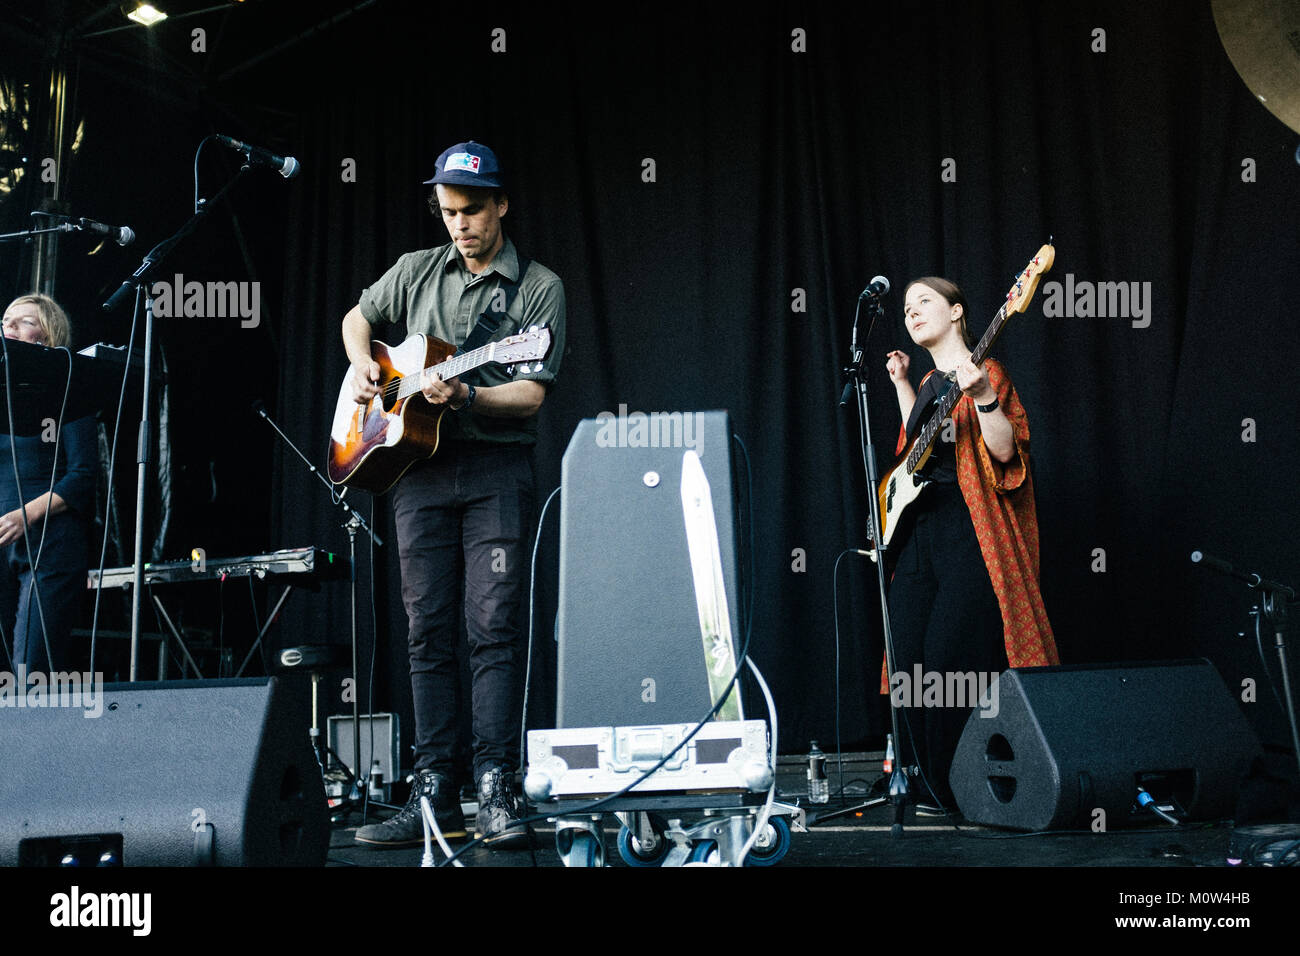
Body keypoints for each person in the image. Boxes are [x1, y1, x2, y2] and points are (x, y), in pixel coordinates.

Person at [341, 141, 565, 849]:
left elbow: (529, 393)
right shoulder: (413, 270)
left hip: (495, 473)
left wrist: (468, 392)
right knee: (424, 630)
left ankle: (496, 786)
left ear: (500, 203)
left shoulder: (538, 288)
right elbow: (358, 317)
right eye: (447, 211)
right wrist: (361, 367)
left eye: (470, 210)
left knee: (493, 627)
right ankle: (434, 791)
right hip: (417, 473)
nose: (459, 225)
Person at [881, 276, 1057, 810]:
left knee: (948, 658)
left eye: (925, 302)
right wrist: (901, 384)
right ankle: (922, 780)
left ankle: (964, 786)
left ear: (957, 311)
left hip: (966, 531)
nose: (911, 313)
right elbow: (918, 447)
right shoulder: (932, 379)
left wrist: (982, 396)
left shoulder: (989, 373)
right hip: (918, 536)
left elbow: (1007, 454)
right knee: (907, 658)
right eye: (906, 307)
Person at [0, 294, 95, 672]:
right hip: (3, 542)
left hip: (49, 542)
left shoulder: (66, 391)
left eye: (23, 321)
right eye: (6, 319)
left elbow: (84, 476)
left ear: (46, 336)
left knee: (30, 669)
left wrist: (26, 515)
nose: (9, 325)